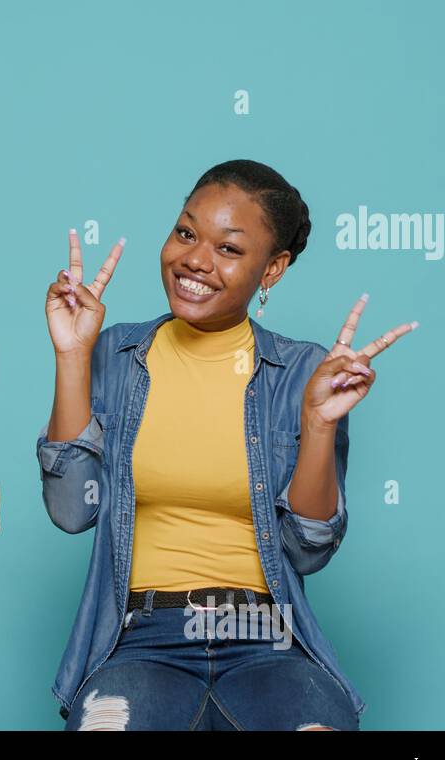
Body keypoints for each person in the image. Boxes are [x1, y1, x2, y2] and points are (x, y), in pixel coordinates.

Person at [37, 159, 415, 730]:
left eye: (230, 249)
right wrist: (71, 355)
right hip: (141, 641)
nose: (195, 260)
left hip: (267, 639)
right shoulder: (113, 353)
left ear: (273, 268)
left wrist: (317, 424)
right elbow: (71, 511)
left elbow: (309, 549)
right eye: (186, 233)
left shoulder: (304, 372)